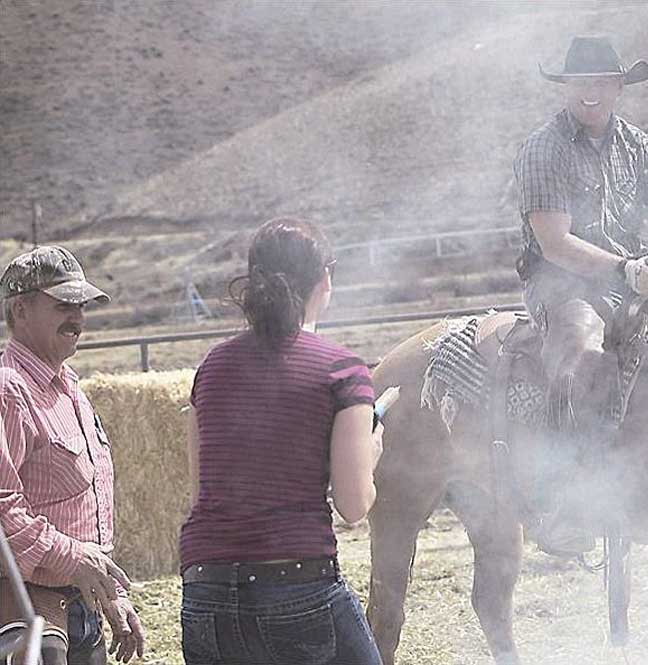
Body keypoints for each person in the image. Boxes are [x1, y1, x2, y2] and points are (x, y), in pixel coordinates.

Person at [513, 36, 648, 554]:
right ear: (565, 87)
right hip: (563, 282)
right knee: (582, 354)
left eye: (602, 81)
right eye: (581, 82)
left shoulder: (636, 145)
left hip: (629, 280)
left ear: (620, 86)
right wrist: (625, 269)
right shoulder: (543, 149)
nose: (591, 92)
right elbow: (554, 242)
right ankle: (565, 502)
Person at [179, 218, 384, 665]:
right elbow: (354, 505)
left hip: (204, 587)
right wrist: (371, 451)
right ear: (324, 279)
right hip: (296, 587)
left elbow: (201, 493)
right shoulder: (342, 370)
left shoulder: (211, 368)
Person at [0, 246, 145, 664]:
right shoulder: (9, 390)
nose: (77, 316)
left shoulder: (69, 388)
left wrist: (109, 591)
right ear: (21, 309)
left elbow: (87, 505)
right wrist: (75, 561)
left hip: (76, 607)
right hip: (28, 612)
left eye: (81, 305)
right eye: (63, 304)